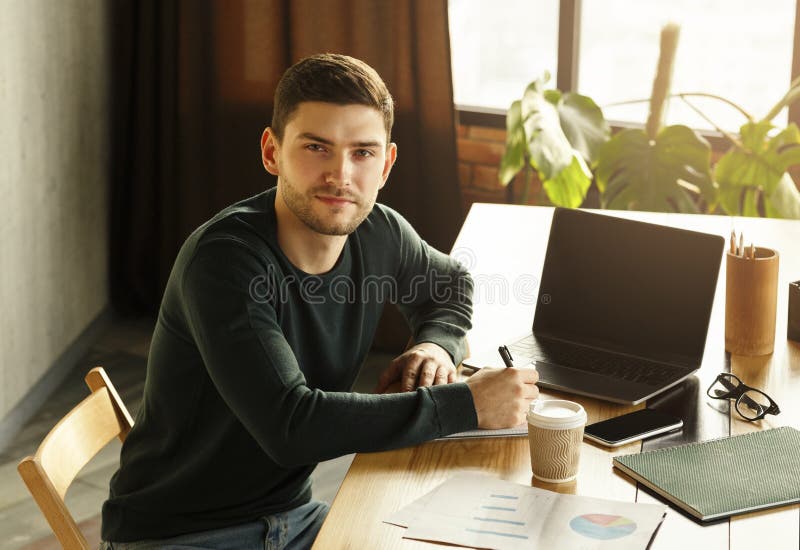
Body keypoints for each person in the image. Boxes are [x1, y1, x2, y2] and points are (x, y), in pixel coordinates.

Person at [101, 53, 539, 549]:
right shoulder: (225, 263)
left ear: (387, 163)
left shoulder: (379, 230)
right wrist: (467, 403)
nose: (341, 175)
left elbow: (449, 284)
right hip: (182, 534)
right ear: (272, 152)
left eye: (363, 152)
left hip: (292, 517)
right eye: (316, 147)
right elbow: (292, 426)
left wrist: (437, 346)